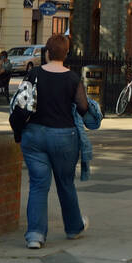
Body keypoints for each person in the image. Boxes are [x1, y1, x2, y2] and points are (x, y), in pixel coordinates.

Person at [19, 34, 89, 249]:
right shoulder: (73, 78)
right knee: (65, 183)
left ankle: (35, 235)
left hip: (34, 135)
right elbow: (83, 107)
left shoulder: (33, 74)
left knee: (39, 185)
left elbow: (22, 102)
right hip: (63, 136)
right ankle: (74, 228)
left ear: (47, 52)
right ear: (66, 54)